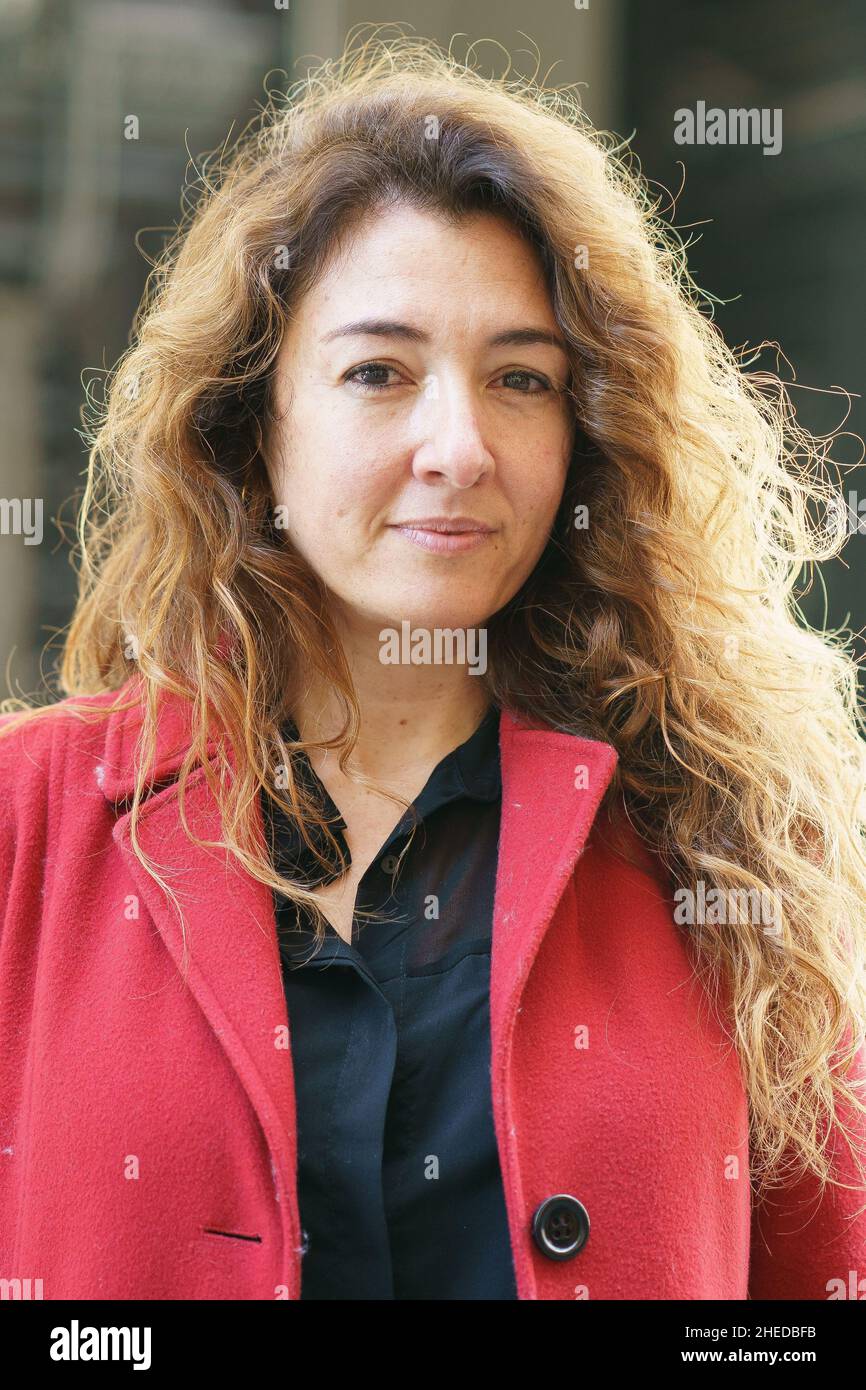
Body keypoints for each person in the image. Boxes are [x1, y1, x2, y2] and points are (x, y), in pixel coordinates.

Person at [0, 32, 864, 1301]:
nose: (457, 445)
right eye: (376, 372)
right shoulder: (25, 823)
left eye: (521, 378)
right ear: (251, 423)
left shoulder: (734, 843)